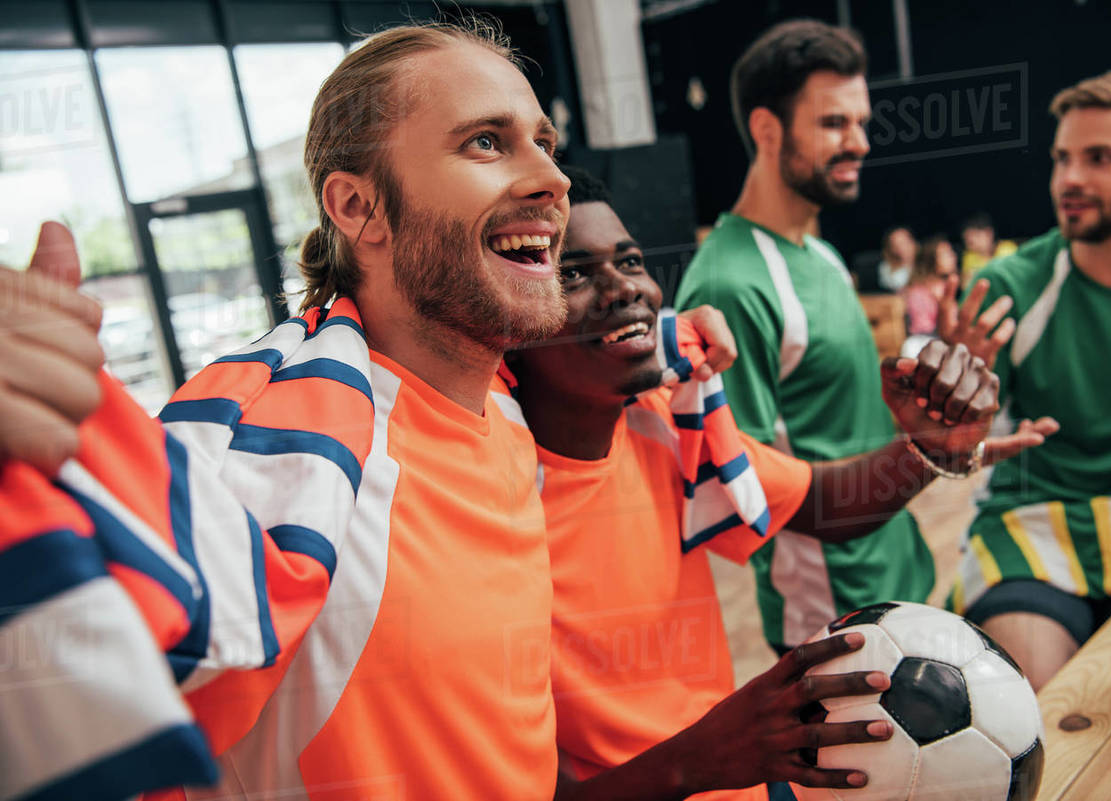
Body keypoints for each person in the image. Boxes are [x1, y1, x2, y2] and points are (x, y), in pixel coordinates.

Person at [0, 21, 756, 801]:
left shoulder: (503, 414)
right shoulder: (283, 450)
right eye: (486, 144)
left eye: (545, 144)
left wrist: (677, 332)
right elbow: (60, 672)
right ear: (360, 206)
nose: (552, 181)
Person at [510, 166, 1047, 801]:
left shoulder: (658, 416)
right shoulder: (494, 496)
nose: (624, 288)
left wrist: (929, 448)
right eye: (572, 273)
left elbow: (819, 502)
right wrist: (704, 758)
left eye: (631, 261)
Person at [676, 19, 1029, 653]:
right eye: (835, 123)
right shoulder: (728, 284)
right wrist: (933, 450)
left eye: (861, 122)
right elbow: (747, 492)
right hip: (838, 621)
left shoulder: (822, 254)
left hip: (904, 574)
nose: (861, 142)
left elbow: (853, 429)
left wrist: (938, 396)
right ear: (766, 129)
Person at [940, 68, 1111, 690]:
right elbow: (952, 447)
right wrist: (953, 398)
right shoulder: (1009, 288)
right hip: (1041, 528)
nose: (1070, 179)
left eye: (1099, 158)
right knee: (1037, 706)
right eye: (1062, 159)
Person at [905, 235, 958, 338]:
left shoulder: (945, 286)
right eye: (946, 254)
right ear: (931, 260)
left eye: (951, 252)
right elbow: (922, 328)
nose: (953, 257)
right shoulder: (920, 291)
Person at [959, 212, 1017, 284]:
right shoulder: (970, 257)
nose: (975, 244)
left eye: (977, 236)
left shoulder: (1007, 248)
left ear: (989, 232)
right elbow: (967, 285)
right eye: (969, 242)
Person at [876, 225, 917, 292]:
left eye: (904, 242)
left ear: (913, 242)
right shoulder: (885, 268)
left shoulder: (926, 263)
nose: (901, 248)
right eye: (896, 244)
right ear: (891, 248)